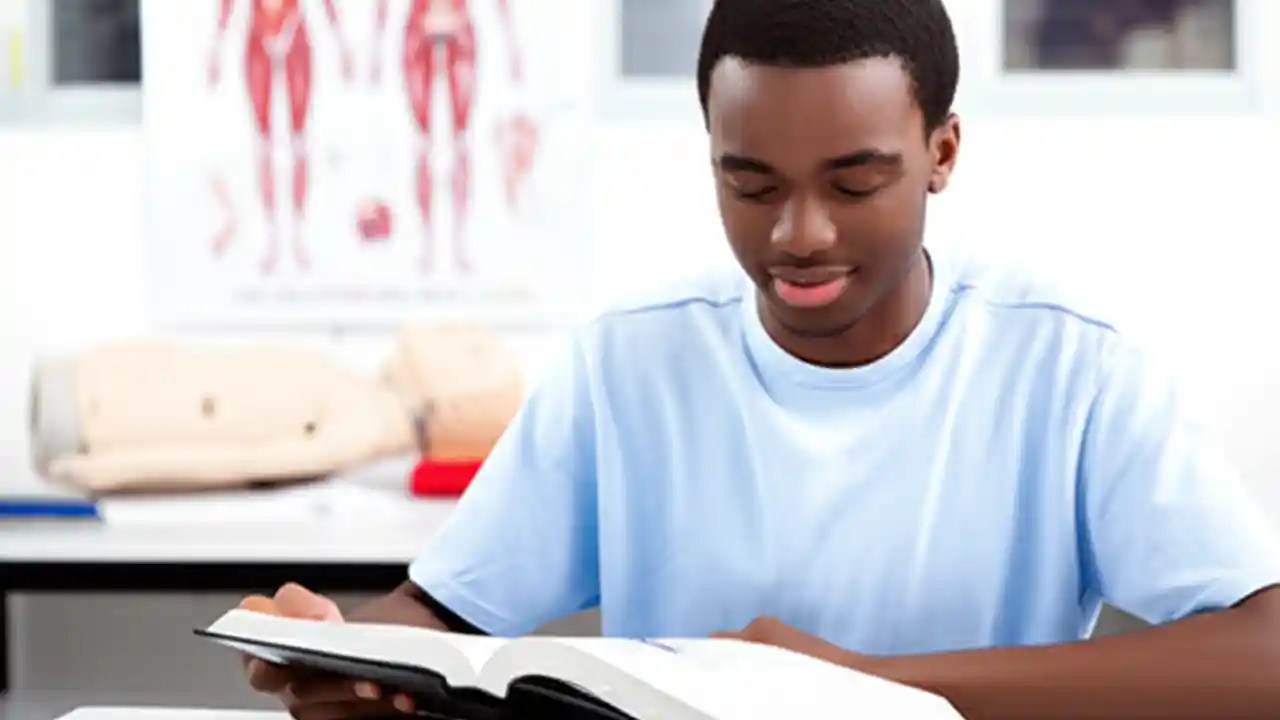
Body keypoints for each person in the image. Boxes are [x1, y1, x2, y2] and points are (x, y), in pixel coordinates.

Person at [236, 1, 1280, 717]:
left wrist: (858, 686)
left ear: (942, 154)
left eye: (854, 185)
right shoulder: (629, 365)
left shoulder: (1067, 365)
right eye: (750, 185)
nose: (798, 235)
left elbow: (1264, 654)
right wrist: (349, 657)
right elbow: (443, 614)